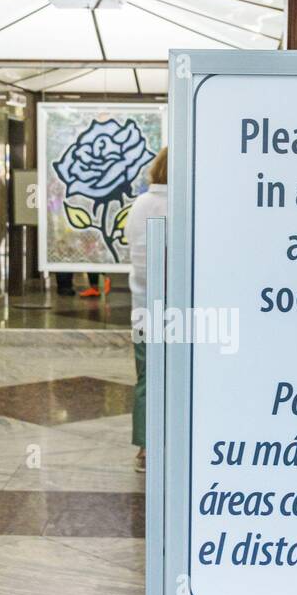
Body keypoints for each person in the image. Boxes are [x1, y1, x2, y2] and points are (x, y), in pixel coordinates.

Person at [126, 147, 168, 472]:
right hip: (177, 311)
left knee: (146, 378)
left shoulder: (140, 204)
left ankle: (145, 447)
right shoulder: (181, 205)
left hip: (142, 306)